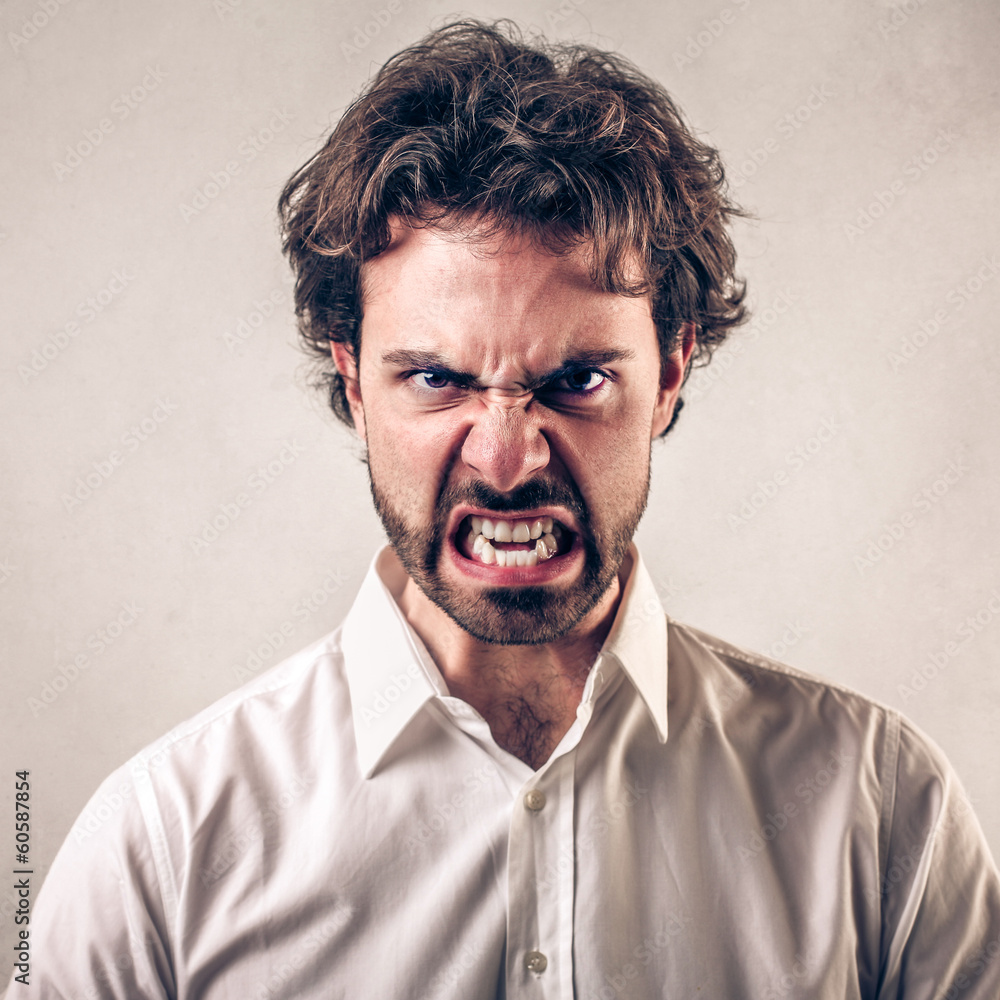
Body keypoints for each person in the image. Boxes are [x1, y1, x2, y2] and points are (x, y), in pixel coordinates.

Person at [14, 19, 1000, 999]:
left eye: (575, 379)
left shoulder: (881, 810)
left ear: (671, 370)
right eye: (437, 378)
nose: (506, 455)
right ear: (353, 382)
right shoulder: (162, 845)